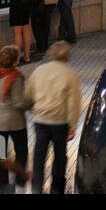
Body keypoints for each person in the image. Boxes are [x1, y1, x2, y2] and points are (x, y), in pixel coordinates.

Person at [25, 42, 81, 194]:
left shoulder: (39, 71)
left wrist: (32, 109)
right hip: (60, 123)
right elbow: (74, 103)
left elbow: (28, 95)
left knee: (39, 157)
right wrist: (73, 125)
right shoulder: (70, 74)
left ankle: (36, 188)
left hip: (40, 121)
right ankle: (57, 189)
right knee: (60, 158)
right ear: (66, 56)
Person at [0, 45, 30, 191]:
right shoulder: (16, 78)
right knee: (21, 151)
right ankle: (20, 180)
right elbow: (18, 102)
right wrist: (30, 103)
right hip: (15, 122)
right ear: (15, 61)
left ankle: (1, 183)